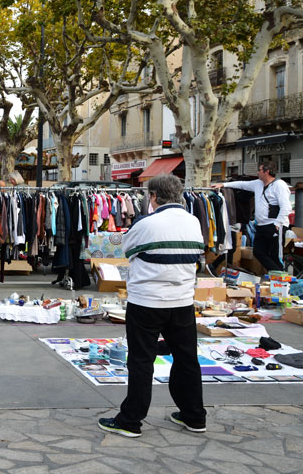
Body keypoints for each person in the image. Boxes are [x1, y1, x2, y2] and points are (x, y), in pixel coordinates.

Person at [98, 173, 206, 438]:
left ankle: (131, 420)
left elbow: (128, 250)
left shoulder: (146, 224)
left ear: (154, 196)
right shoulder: (193, 221)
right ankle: (194, 416)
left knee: (141, 360)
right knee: (187, 359)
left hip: (146, 301)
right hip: (182, 301)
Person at [214, 161, 291, 272]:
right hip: (261, 225)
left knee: (275, 254)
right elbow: (242, 184)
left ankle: (279, 275)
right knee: (258, 252)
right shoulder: (258, 184)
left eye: (259, 170)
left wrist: (278, 223)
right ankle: (276, 273)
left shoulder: (279, 185)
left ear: (267, 172)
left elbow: (286, 207)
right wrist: (223, 185)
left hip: (274, 225)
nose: (258, 173)